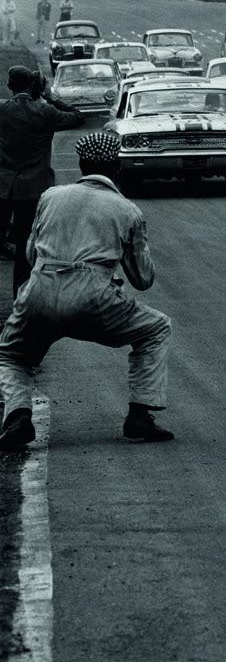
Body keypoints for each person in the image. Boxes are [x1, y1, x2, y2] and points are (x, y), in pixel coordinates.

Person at [0, 132, 173, 451]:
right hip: (94, 297)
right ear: (117, 167)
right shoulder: (127, 209)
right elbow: (143, 278)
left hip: (41, 289)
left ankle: (18, 417)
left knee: (11, 353)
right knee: (156, 328)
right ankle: (140, 415)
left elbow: (29, 254)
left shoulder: (50, 196)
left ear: (81, 165)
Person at [0, 66, 86, 295]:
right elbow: (78, 117)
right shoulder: (45, 113)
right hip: (34, 189)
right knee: (25, 246)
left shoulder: (2, 110)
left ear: (10, 86)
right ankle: (21, 295)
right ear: (33, 86)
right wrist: (50, 96)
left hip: (3, 186)